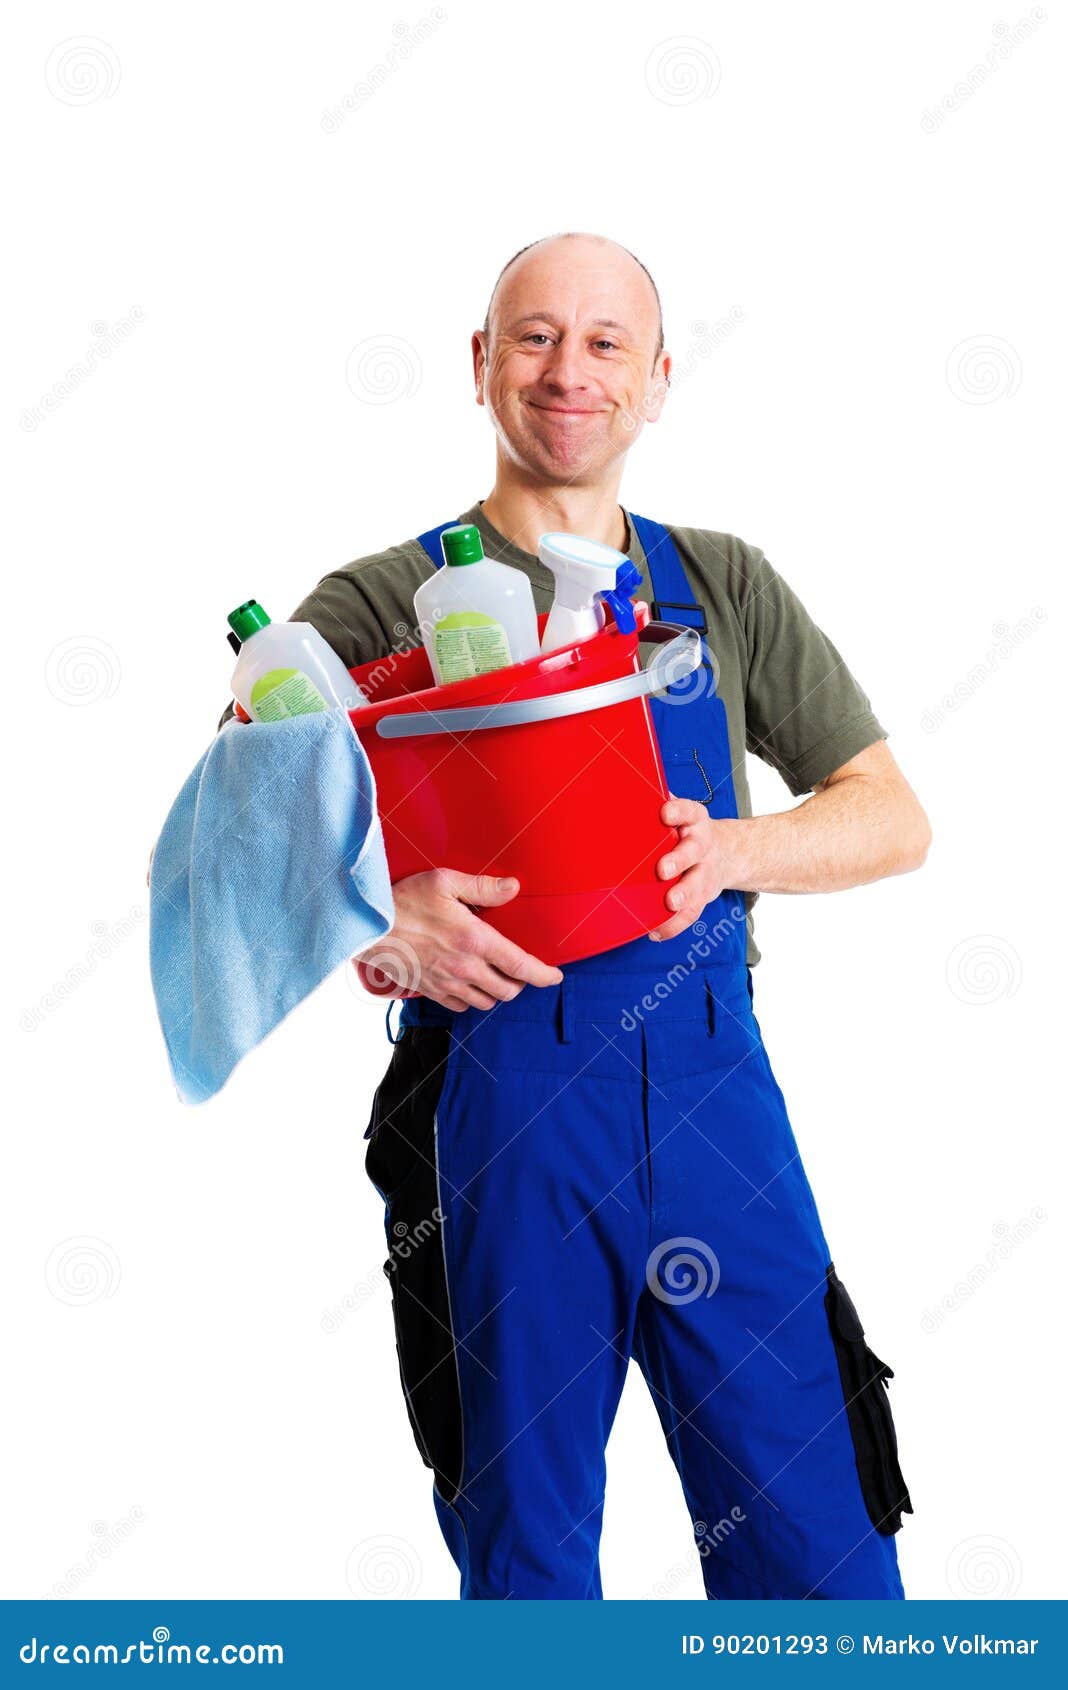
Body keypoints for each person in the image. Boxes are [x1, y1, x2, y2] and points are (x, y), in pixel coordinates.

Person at [219, 232, 931, 1600]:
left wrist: (736, 846)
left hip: (717, 1099)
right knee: (527, 1553)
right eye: (535, 336)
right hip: (495, 1110)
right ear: (482, 366)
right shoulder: (380, 601)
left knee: (822, 1538)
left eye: (607, 342)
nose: (569, 370)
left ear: (658, 379)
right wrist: (385, 904)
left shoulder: (719, 586)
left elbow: (891, 813)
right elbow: (237, 842)